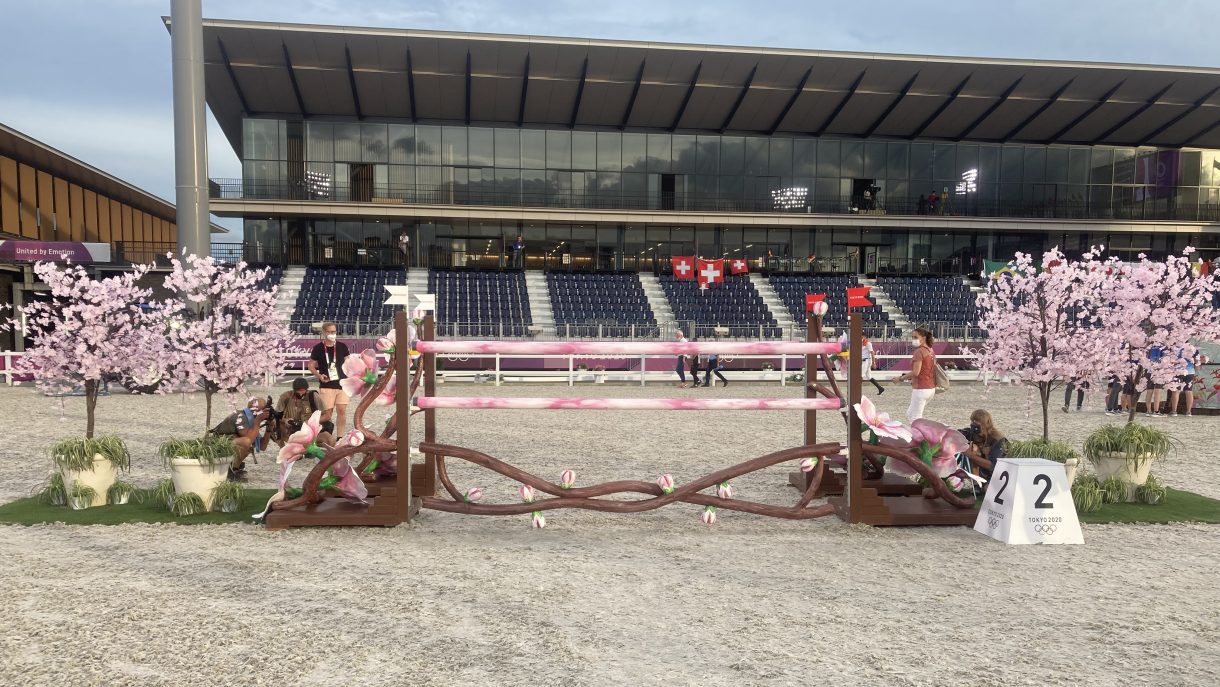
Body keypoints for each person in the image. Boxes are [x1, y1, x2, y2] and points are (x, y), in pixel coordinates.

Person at [211, 396, 275, 482]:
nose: (266, 412)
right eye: (264, 409)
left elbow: (262, 446)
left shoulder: (251, 420)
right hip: (217, 446)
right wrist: (258, 421)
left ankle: (234, 467)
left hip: (226, 445)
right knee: (246, 442)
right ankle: (231, 470)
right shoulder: (241, 417)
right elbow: (249, 439)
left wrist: (269, 429)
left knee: (247, 442)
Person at [308, 322, 351, 436]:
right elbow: (311, 365)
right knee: (327, 414)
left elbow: (349, 363)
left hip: (343, 384)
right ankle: (327, 436)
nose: (333, 334)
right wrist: (319, 376)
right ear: (324, 332)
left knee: (342, 411)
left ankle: (340, 437)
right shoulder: (318, 348)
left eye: (334, 332)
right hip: (327, 385)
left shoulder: (342, 346)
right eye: (330, 332)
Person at [893, 327, 936, 423]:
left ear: (923, 338)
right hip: (930, 388)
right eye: (912, 337)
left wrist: (900, 378)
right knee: (910, 413)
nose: (913, 339)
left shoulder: (919, 352)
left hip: (921, 389)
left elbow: (916, 372)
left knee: (915, 418)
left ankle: (920, 432)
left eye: (916, 337)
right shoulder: (930, 350)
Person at [960, 409, 1007, 481]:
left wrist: (970, 455)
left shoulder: (997, 439)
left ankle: (979, 482)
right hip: (981, 472)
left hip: (997, 476)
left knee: (973, 448)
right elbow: (959, 433)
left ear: (985, 423)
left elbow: (993, 465)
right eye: (972, 421)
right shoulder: (972, 433)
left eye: (976, 421)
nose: (973, 423)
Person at [1168, 350, 1203, 417]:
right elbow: (1197, 362)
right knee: (1189, 391)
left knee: (1176, 390)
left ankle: (1174, 411)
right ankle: (1188, 412)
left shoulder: (1176, 347)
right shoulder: (1194, 349)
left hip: (1178, 371)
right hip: (1190, 372)